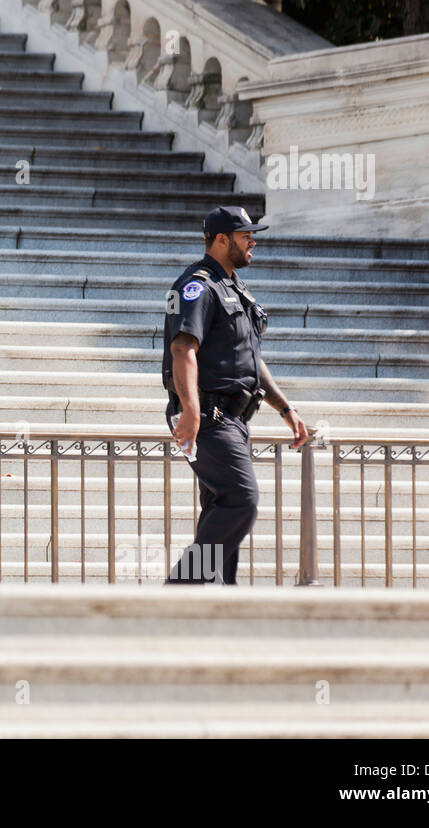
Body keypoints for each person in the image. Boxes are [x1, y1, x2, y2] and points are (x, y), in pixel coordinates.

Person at [163, 205, 309, 585]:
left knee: (220, 510)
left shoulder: (233, 288)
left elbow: (251, 360)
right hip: (209, 418)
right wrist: (191, 411)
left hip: (235, 419)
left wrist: (285, 408)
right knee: (241, 500)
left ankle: (214, 600)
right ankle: (179, 591)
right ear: (221, 239)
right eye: (245, 236)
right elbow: (183, 349)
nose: (253, 242)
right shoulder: (196, 286)